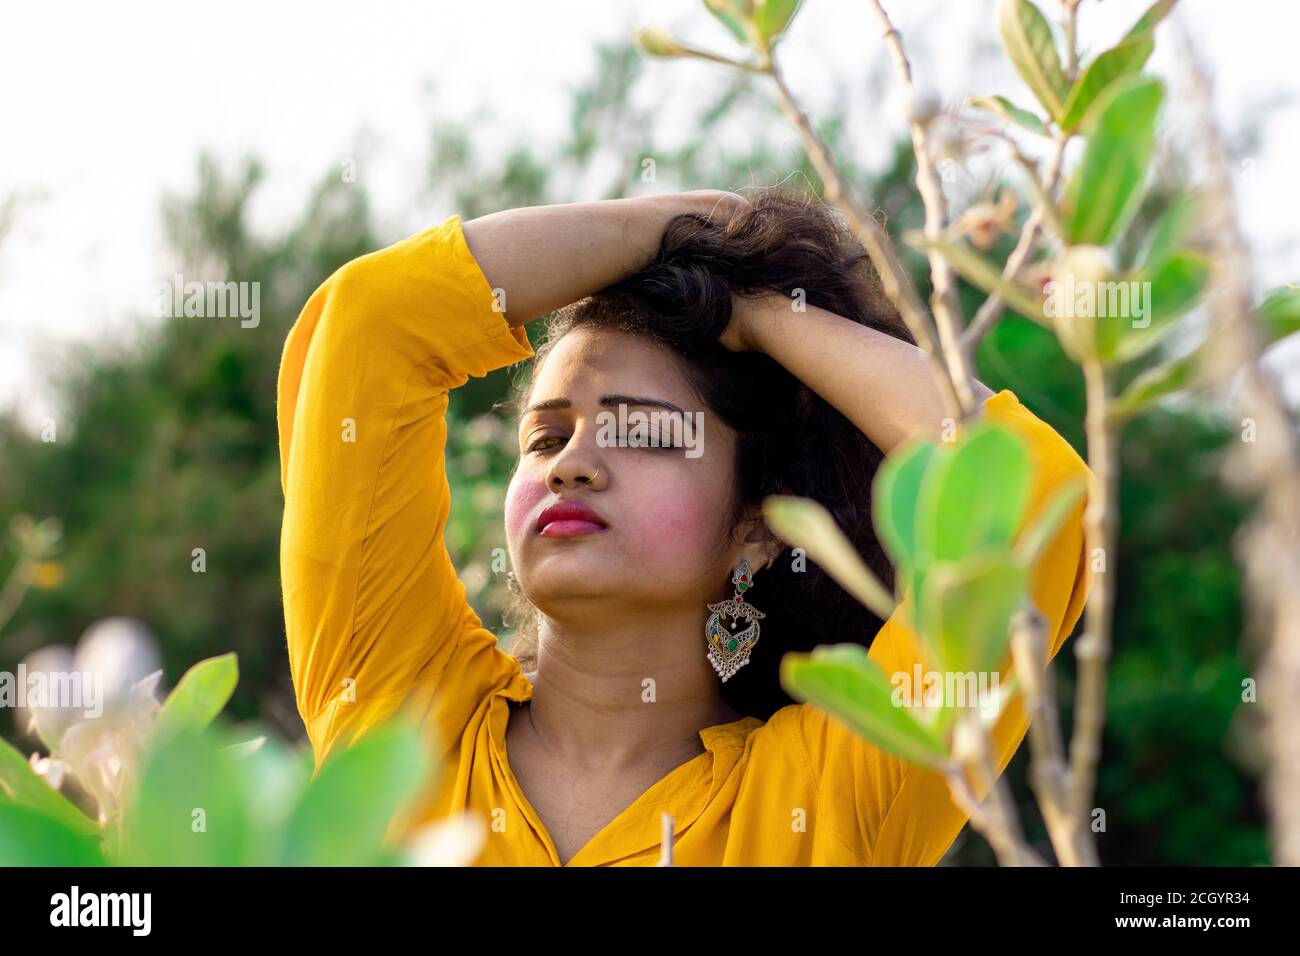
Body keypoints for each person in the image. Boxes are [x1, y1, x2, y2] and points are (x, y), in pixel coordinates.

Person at [276, 187, 1092, 866]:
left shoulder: (829, 797)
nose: (573, 463)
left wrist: (763, 313)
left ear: (758, 528)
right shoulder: (399, 719)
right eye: (546, 436)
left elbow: (1029, 497)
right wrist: (671, 232)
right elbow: (369, 327)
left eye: (644, 433)